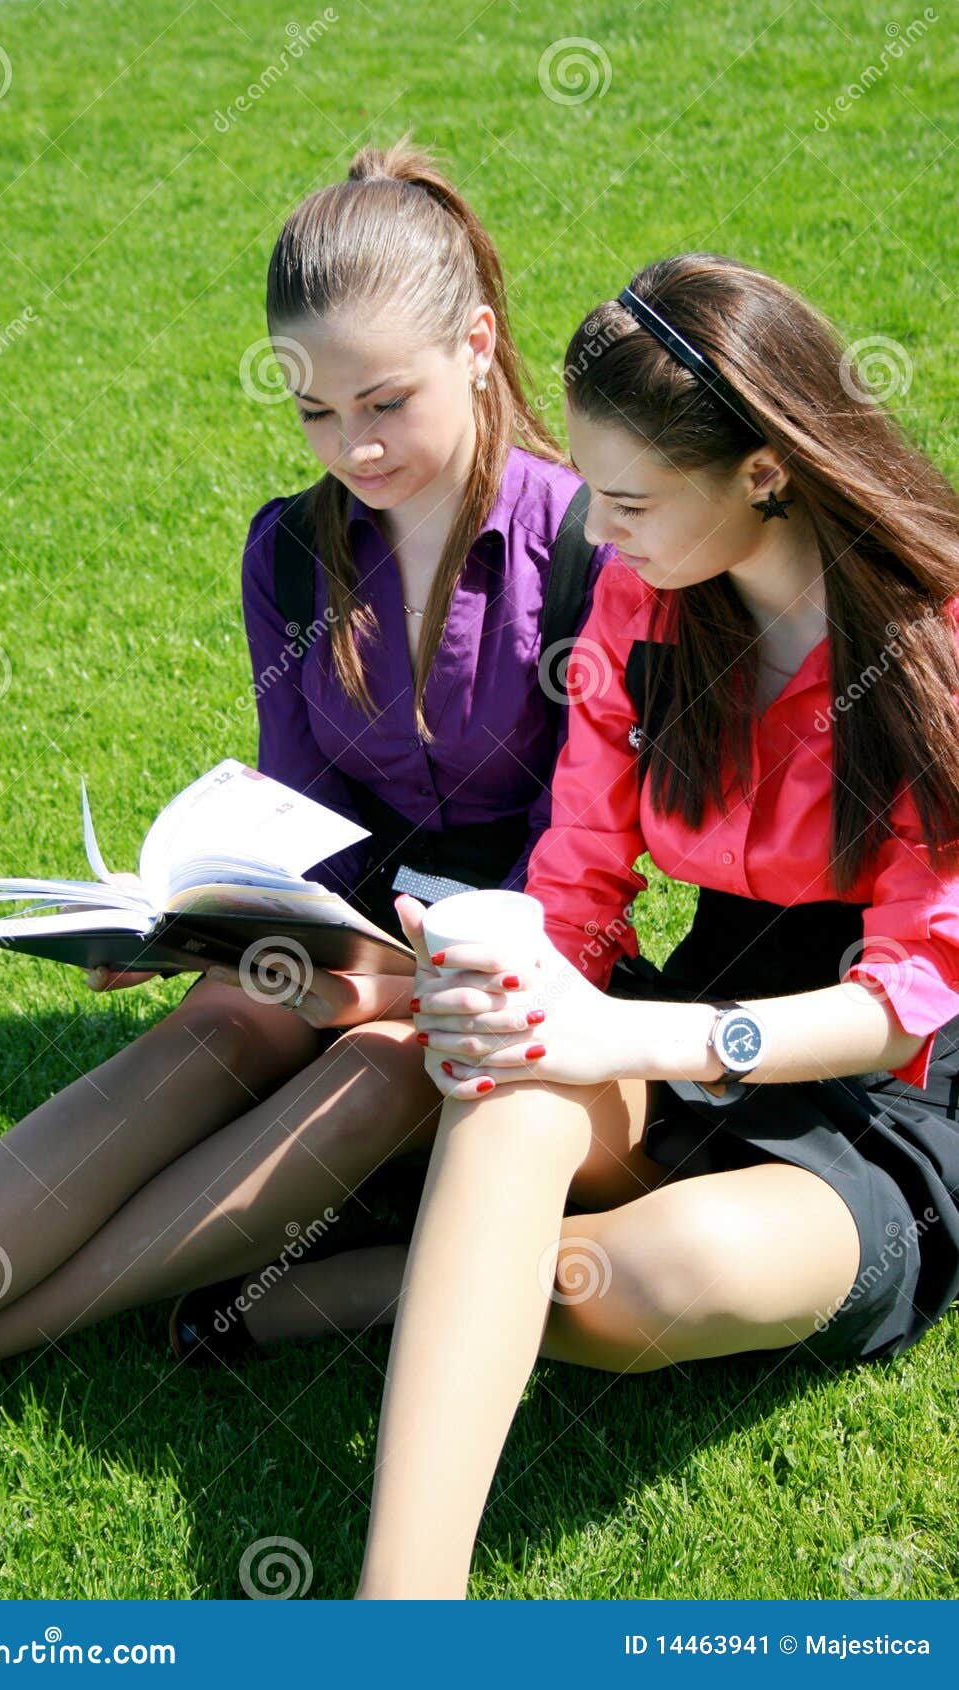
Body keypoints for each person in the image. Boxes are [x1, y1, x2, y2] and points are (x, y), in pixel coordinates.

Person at [0, 135, 609, 1388]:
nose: (354, 449)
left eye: (385, 403)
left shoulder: (590, 550)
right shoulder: (289, 551)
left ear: (477, 345)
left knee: (384, 1068)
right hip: (342, 929)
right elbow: (299, 808)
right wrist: (200, 923)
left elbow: (589, 863)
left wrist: (394, 990)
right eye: (315, 411)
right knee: (210, 1030)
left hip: (511, 955)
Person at [345, 253, 959, 1600]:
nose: (594, 531)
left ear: (761, 471)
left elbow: (915, 984)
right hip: (687, 1016)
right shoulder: (646, 599)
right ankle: (401, 1623)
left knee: (623, 1280)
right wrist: (505, 970)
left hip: (897, 1090)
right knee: (512, 1088)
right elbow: (577, 877)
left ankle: (381, 1278)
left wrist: (623, 1025)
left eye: (624, 501)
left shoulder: (933, 635)